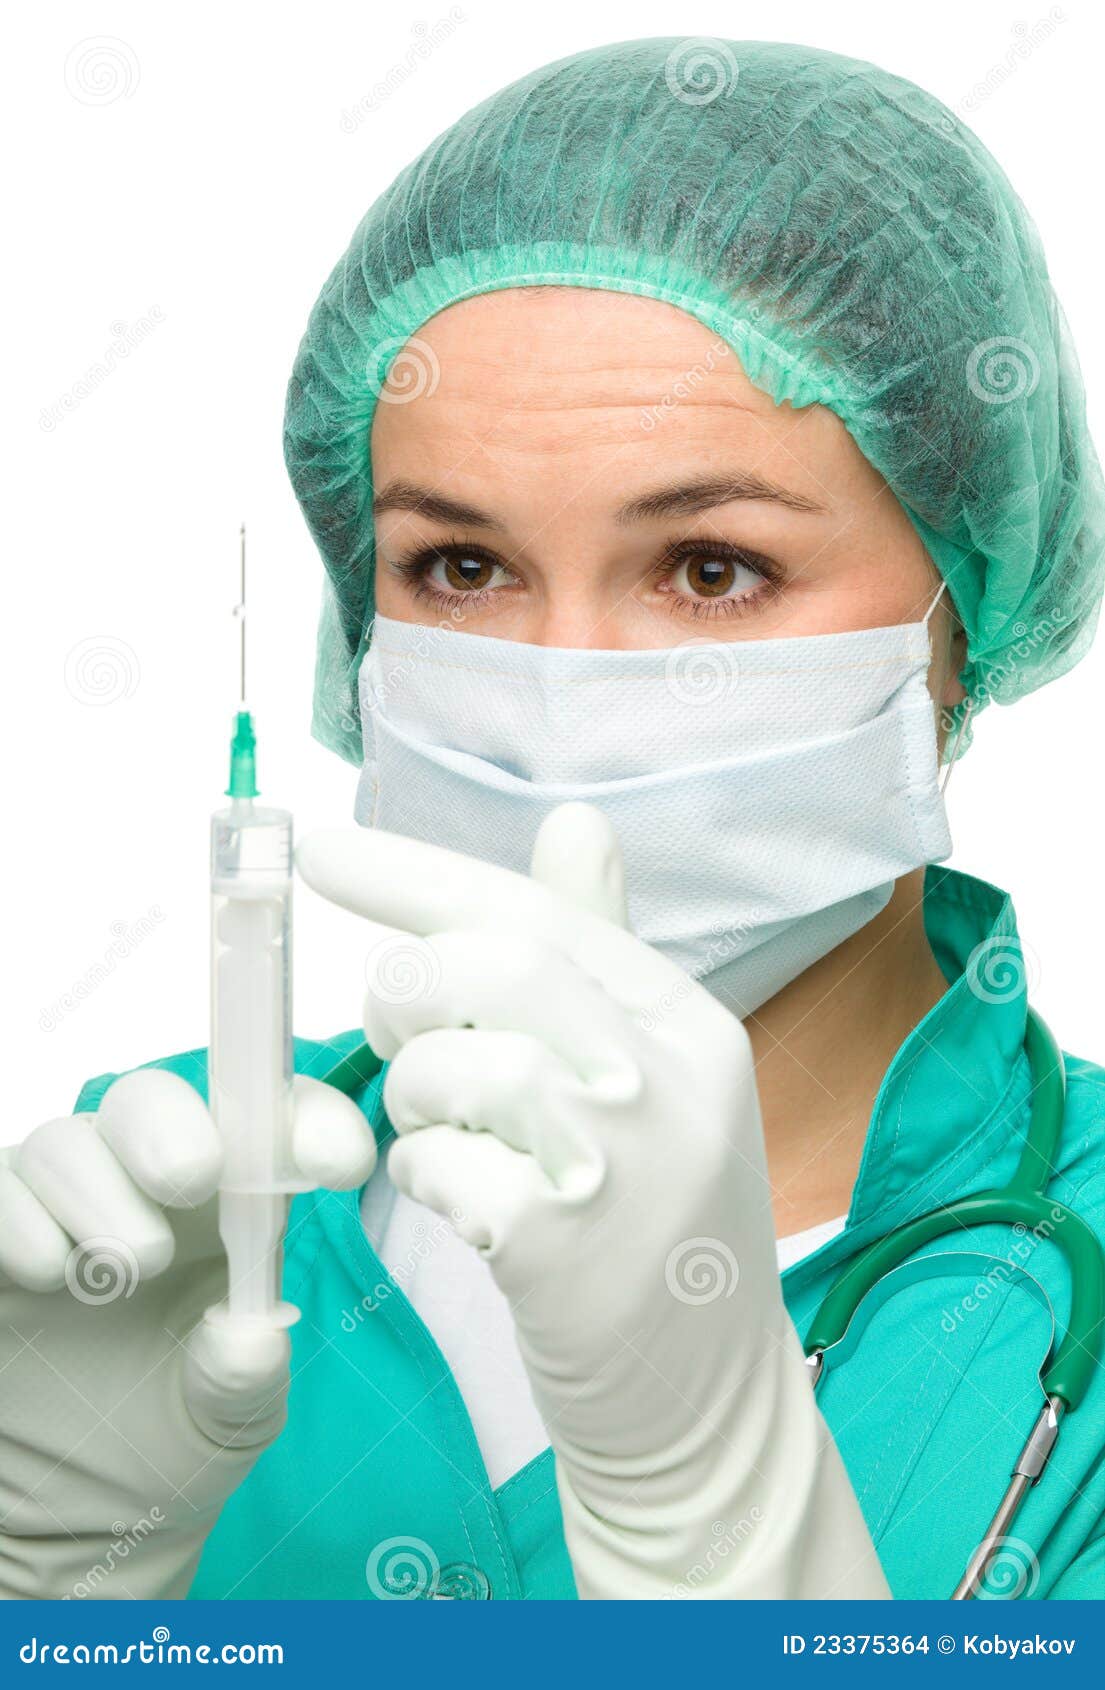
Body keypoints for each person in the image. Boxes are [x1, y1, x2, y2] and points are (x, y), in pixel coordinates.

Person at [2, 38, 1104, 1603]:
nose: (561, 687)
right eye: (459, 566)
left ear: (962, 612)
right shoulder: (165, 1200)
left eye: (710, 567)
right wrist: (47, 1590)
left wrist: (725, 1513)